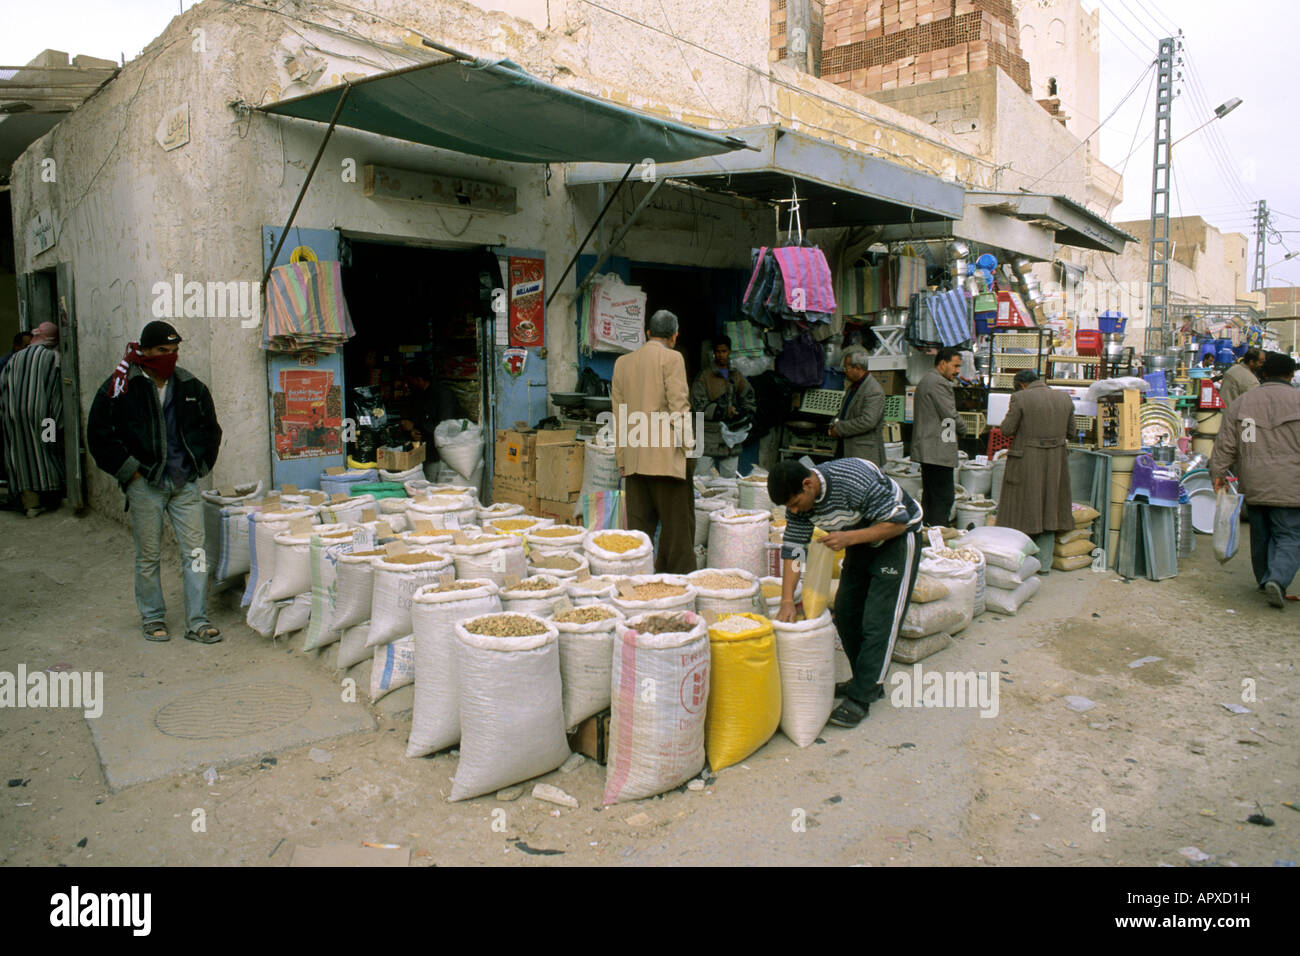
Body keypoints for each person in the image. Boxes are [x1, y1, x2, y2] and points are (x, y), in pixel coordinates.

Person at [87, 321, 224, 643]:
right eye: (162, 350)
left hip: (183, 484)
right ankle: (152, 617)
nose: (169, 357)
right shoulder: (121, 387)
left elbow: (210, 429)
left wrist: (200, 465)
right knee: (148, 557)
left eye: (174, 351)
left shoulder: (191, 387)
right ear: (145, 351)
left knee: (196, 553)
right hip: (145, 485)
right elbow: (99, 435)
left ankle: (197, 621)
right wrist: (130, 472)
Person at [769, 457, 923, 728]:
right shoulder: (799, 508)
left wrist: (848, 538)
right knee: (847, 611)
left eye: (794, 502)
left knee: (879, 620)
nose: (793, 510)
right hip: (860, 539)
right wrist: (787, 600)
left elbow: (898, 522)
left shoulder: (852, 480)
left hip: (897, 539)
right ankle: (864, 679)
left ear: (807, 484)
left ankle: (862, 697)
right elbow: (794, 551)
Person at [1209, 351, 1300, 608]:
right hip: (1292, 483)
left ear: (1262, 373)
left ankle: (1264, 580)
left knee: (1261, 535)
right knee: (1290, 535)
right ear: (1291, 374)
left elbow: (1225, 444)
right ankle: (1278, 579)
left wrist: (1218, 473)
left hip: (1253, 481)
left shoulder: (1243, 403)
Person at [610, 309, 696, 574]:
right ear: (674, 336)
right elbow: (679, 406)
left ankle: (637, 580)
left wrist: (622, 459)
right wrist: (689, 450)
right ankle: (676, 584)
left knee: (639, 533)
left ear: (647, 333)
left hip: (634, 460)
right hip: (666, 459)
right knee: (678, 531)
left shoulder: (622, 363)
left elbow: (618, 415)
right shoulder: (672, 358)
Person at [996, 369, 1075, 539]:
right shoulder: (1064, 398)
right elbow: (1072, 432)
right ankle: (1047, 546)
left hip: (1027, 458)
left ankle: (1023, 543)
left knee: (1025, 502)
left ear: (1021, 385)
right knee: (1051, 500)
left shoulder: (1020, 397)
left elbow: (1007, 429)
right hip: (1057, 460)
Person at [0, 322, 63, 517]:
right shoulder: (52, 357)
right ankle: (50, 494)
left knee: (20, 455)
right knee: (48, 449)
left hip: (12, 416)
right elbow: (55, 391)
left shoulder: (15, 358)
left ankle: (31, 504)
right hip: (43, 416)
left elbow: (3, 385)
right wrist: (58, 421)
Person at [912, 347, 967, 525]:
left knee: (931, 497)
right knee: (942, 498)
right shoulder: (938, 383)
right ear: (943, 363)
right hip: (937, 450)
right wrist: (964, 429)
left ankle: (928, 532)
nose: (958, 371)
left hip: (930, 449)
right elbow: (949, 414)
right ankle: (938, 533)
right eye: (955, 366)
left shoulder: (928, 379)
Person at [690, 334, 756, 478]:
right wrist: (723, 411)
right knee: (702, 476)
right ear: (714, 353)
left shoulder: (736, 376)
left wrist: (742, 412)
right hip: (707, 434)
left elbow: (748, 398)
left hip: (730, 435)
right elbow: (698, 404)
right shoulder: (704, 376)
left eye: (724, 351)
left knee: (730, 477)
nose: (720, 355)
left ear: (729, 351)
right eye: (718, 351)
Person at [830, 346, 885, 465]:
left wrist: (839, 428)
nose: (845, 371)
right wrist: (833, 423)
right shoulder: (854, 387)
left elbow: (867, 421)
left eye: (847, 367)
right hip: (846, 448)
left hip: (862, 453)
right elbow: (844, 411)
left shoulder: (873, 390)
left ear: (858, 368)